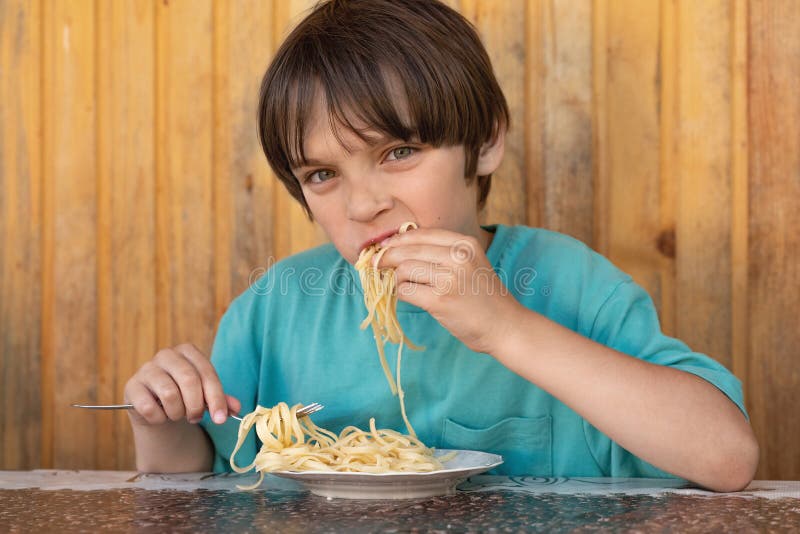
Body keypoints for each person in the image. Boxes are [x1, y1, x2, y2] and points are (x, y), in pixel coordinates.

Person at [124, 0, 758, 491]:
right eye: (322, 175)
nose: (362, 203)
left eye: (398, 152)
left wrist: (504, 328)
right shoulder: (277, 308)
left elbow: (727, 458)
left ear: (483, 143)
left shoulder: (572, 285)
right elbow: (196, 485)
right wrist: (163, 423)